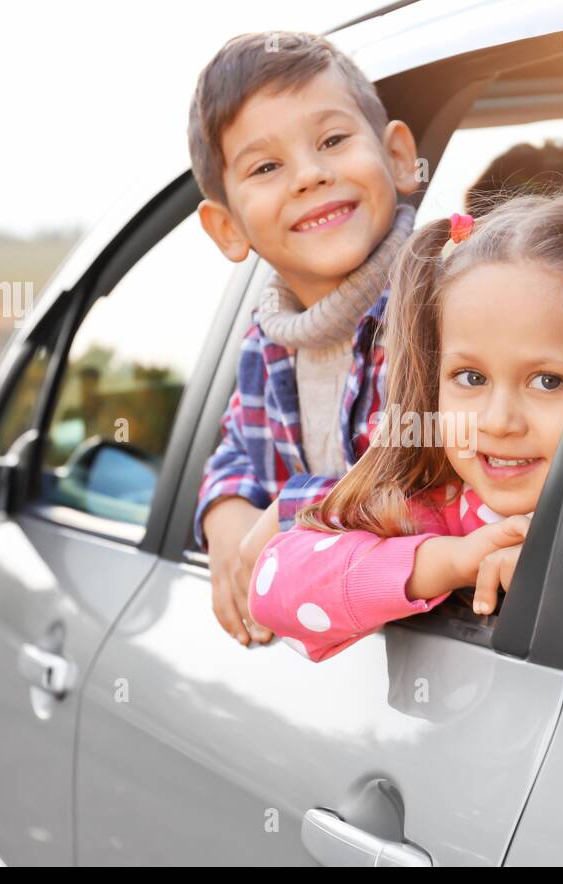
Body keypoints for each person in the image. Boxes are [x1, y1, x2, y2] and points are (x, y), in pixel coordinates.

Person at [247, 190, 563, 662]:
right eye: (470, 378)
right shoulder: (443, 509)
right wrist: (452, 561)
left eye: (547, 381)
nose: (498, 421)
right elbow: (275, 583)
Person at [186, 31, 422, 647]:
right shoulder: (267, 342)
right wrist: (225, 512)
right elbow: (239, 447)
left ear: (398, 157)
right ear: (228, 228)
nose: (311, 176)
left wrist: (292, 514)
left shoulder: (444, 305)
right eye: (266, 167)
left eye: (333, 140)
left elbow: (428, 490)